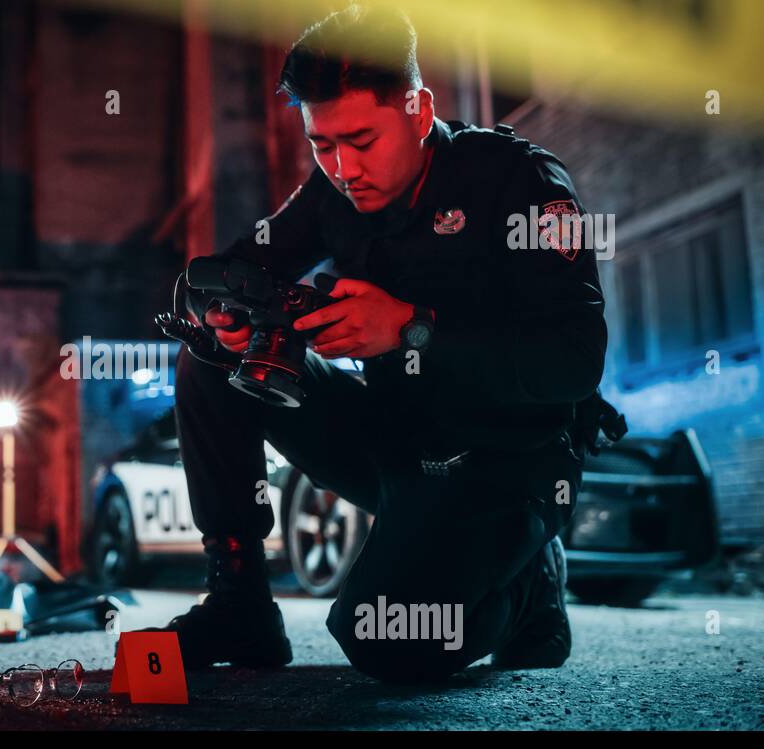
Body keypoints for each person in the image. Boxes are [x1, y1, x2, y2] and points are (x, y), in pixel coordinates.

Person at [141, 5, 607, 682]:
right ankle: (240, 603)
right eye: (321, 144)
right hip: (395, 444)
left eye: (361, 140)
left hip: (505, 464)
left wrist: (411, 326)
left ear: (418, 110)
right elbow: (240, 265)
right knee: (211, 361)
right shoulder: (332, 191)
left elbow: (576, 359)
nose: (341, 166)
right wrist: (226, 312)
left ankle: (528, 587)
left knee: (383, 636)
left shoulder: (518, 182)